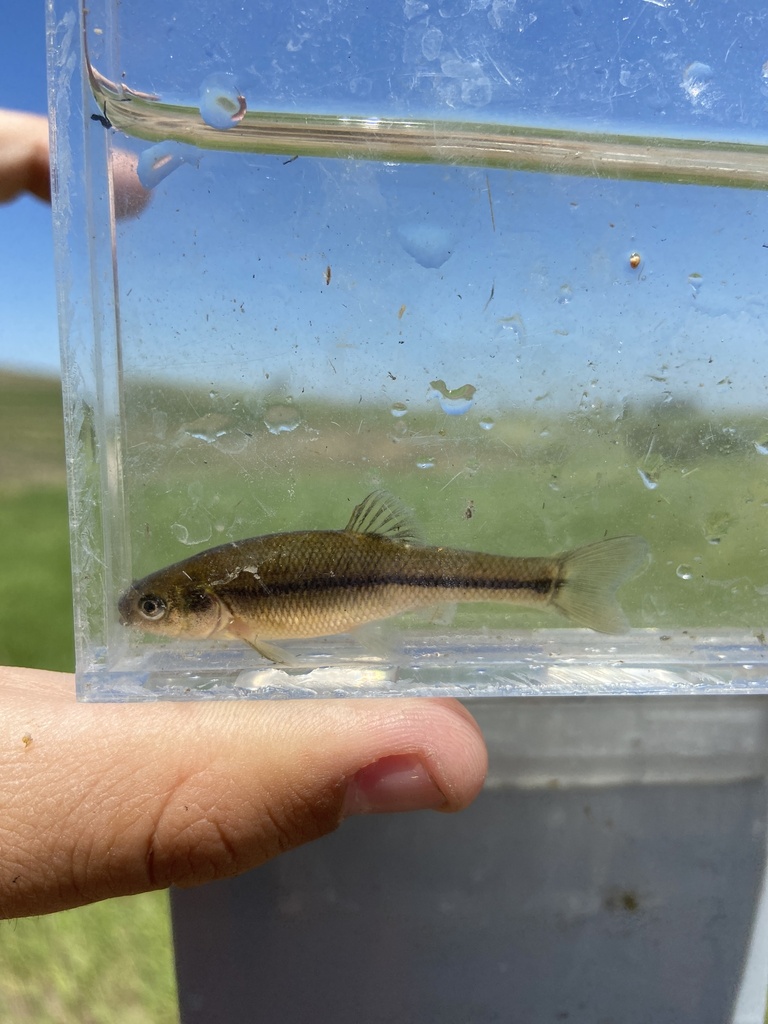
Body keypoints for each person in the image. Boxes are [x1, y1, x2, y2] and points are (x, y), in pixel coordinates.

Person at [0, 109, 488, 921]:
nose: (145, 617)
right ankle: (548, 581)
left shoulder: (235, 602)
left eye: (154, 607)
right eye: (150, 608)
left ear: (205, 605)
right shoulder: (231, 604)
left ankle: (549, 582)